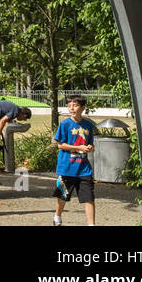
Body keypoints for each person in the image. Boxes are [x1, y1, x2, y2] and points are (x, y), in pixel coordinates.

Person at [53, 95, 97, 226]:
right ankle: (57, 217)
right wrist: (78, 147)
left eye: (75, 105)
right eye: (69, 105)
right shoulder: (65, 124)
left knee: (89, 198)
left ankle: (91, 224)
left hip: (84, 169)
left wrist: (90, 148)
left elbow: (91, 144)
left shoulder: (88, 125)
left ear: (83, 108)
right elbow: (60, 145)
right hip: (67, 168)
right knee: (63, 196)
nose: (71, 108)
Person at [0, 99, 31, 170]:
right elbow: (2, 121)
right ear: (24, 115)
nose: (23, 120)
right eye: (24, 119)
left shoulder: (15, 108)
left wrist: (10, 121)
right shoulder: (15, 111)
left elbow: (4, 115)